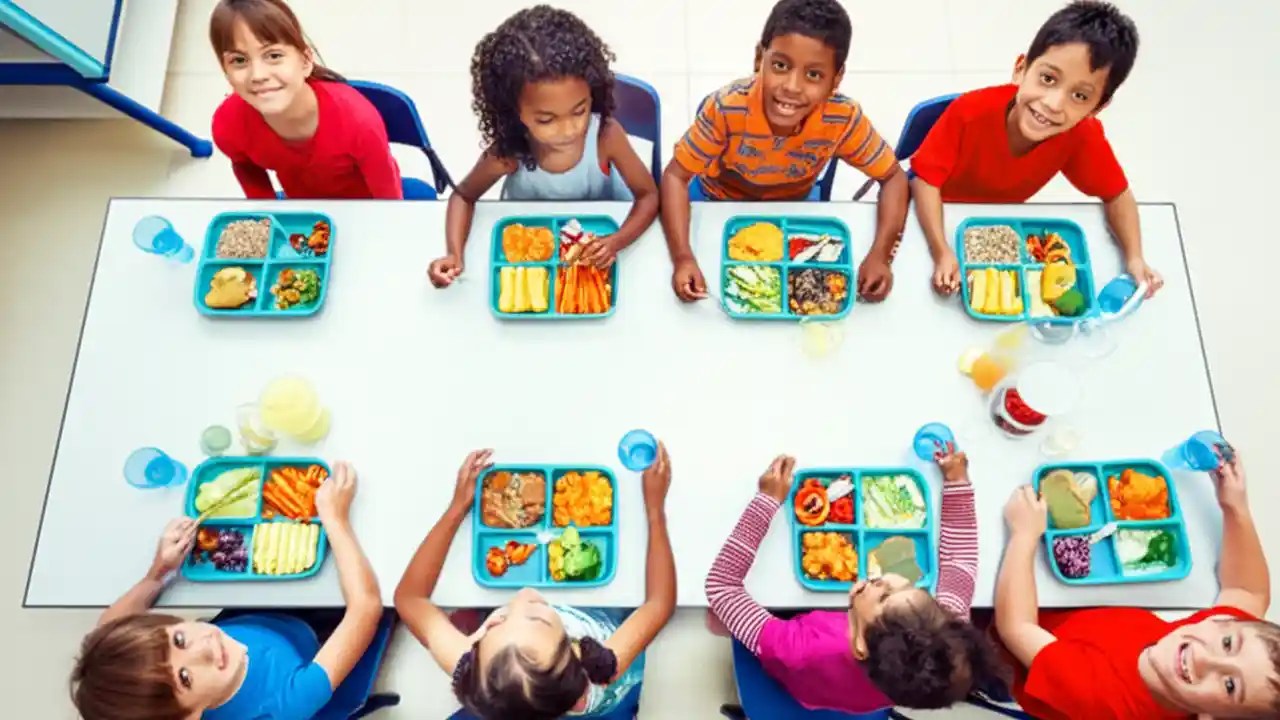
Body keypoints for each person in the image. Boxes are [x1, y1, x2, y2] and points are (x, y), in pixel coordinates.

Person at [70, 462, 383, 720]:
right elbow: (365, 608)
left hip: (268, 622)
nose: (203, 648)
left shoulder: (163, 653)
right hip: (317, 661)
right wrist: (335, 518)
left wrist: (158, 572)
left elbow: (112, 622)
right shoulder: (280, 708)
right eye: (185, 678)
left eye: (179, 640)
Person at [705, 449, 1002, 712]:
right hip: (856, 700)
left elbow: (721, 588)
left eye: (883, 595)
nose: (892, 577)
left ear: (860, 643)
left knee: (726, 621)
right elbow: (959, 563)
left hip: (800, 679)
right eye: (909, 586)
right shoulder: (943, 637)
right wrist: (956, 482)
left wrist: (765, 501)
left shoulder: (802, 647)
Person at [996, 447, 1280, 718]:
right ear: (1221, 624)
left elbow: (1016, 627)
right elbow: (1248, 592)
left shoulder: (1104, 699)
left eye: (1230, 685)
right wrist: (1235, 508)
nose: (1205, 659)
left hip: (1005, 644)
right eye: (1229, 643)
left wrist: (1024, 534)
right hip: (1073, 613)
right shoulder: (1205, 638)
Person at [394, 447, 676, 719]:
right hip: (605, 627)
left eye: (496, 625)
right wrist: (655, 511)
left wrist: (456, 508)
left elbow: (410, 599)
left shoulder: (471, 668)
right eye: (538, 618)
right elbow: (659, 604)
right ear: (576, 652)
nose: (523, 595)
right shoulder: (602, 667)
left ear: (474, 655)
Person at [660, 0, 909, 305]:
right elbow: (675, 176)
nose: (792, 87)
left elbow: (894, 177)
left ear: (836, 79)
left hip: (793, 206)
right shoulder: (727, 108)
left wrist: (881, 255)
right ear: (758, 58)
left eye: (814, 75)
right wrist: (683, 257)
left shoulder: (842, 118)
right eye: (780, 65)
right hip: (715, 201)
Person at [911, 1, 1162, 298]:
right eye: (1047, 79)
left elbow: (1118, 195)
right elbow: (924, 180)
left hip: (994, 226)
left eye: (1079, 96)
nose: (1053, 104)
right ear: (1021, 69)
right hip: (931, 216)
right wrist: (941, 250)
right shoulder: (968, 112)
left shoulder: (1081, 136)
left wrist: (1134, 257)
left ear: (1097, 108)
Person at [427, 6, 659, 288]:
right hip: (531, 248)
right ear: (514, 111)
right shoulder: (507, 153)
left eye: (579, 110)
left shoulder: (605, 137)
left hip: (605, 238)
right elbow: (463, 197)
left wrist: (616, 242)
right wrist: (454, 253)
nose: (569, 130)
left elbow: (648, 196)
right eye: (547, 119)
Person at [210, 0, 403, 199]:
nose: (258, 75)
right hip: (303, 211)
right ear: (226, 72)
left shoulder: (359, 123)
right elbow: (244, 165)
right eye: (239, 61)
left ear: (305, 61)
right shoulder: (227, 125)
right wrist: (268, 217)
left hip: (366, 207)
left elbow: (389, 203)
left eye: (274, 55)